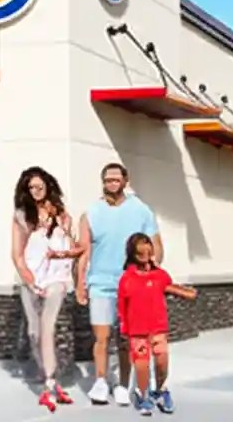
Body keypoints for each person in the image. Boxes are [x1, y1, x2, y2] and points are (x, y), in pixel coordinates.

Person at [76, 162, 163, 406]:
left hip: (131, 285)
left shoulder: (141, 211)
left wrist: (151, 276)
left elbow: (156, 247)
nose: (111, 184)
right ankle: (101, 382)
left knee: (126, 339)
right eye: (107, 180)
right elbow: (83, 252)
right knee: (101, 338)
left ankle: (123, 385)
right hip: (100, 284)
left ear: (125, 181)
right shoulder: (91, 213)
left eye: (116, 179)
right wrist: (80, 283)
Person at [11, 166, 83, 412]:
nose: (35, 191)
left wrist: (75, 275)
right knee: (34, 332)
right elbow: (17, 255)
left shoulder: (62, 215)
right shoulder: (22, 216)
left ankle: (49, 383)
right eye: (31, 187)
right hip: (32, 277)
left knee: (47, 327)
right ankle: (48, 376)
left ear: (48, 186)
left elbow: (74, 248)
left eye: (39, 186)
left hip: (56, 278)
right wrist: (29, 279)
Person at [117, 232, 197, 415]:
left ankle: (160, 390)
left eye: (148, 253)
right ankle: (142, 394)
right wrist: (124, 328)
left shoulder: (159, 275)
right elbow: (121, 306)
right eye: (141, 254)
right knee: (142, 365)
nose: (146, 258)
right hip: (137, 331)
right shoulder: (127, 279)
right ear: (133, 255)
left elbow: (170, 287)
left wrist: (187, 293)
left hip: (158, 328)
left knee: (162, 362)